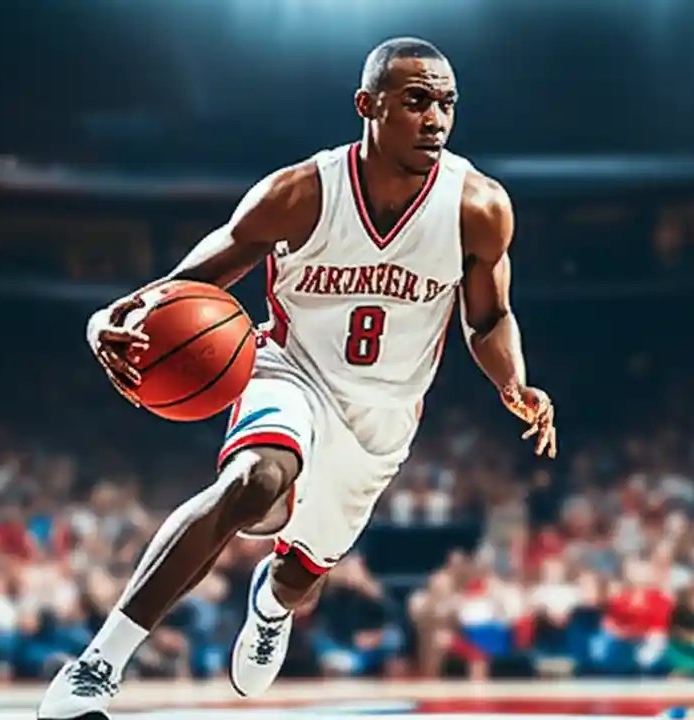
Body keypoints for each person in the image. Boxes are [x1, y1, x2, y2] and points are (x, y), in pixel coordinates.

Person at [37, 36, 557, 720]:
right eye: (416, 101)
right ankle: (98, 666)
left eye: (446, 104)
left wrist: (512, 383)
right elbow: (189, 283)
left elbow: (488, 320)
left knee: (296, 574)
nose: (435, 117)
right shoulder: (302, 193)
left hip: (384, 416)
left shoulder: (478, 207)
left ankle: (270, 607)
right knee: (253, 484)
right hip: (290, 370)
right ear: (367, 106)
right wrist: (103, 316)